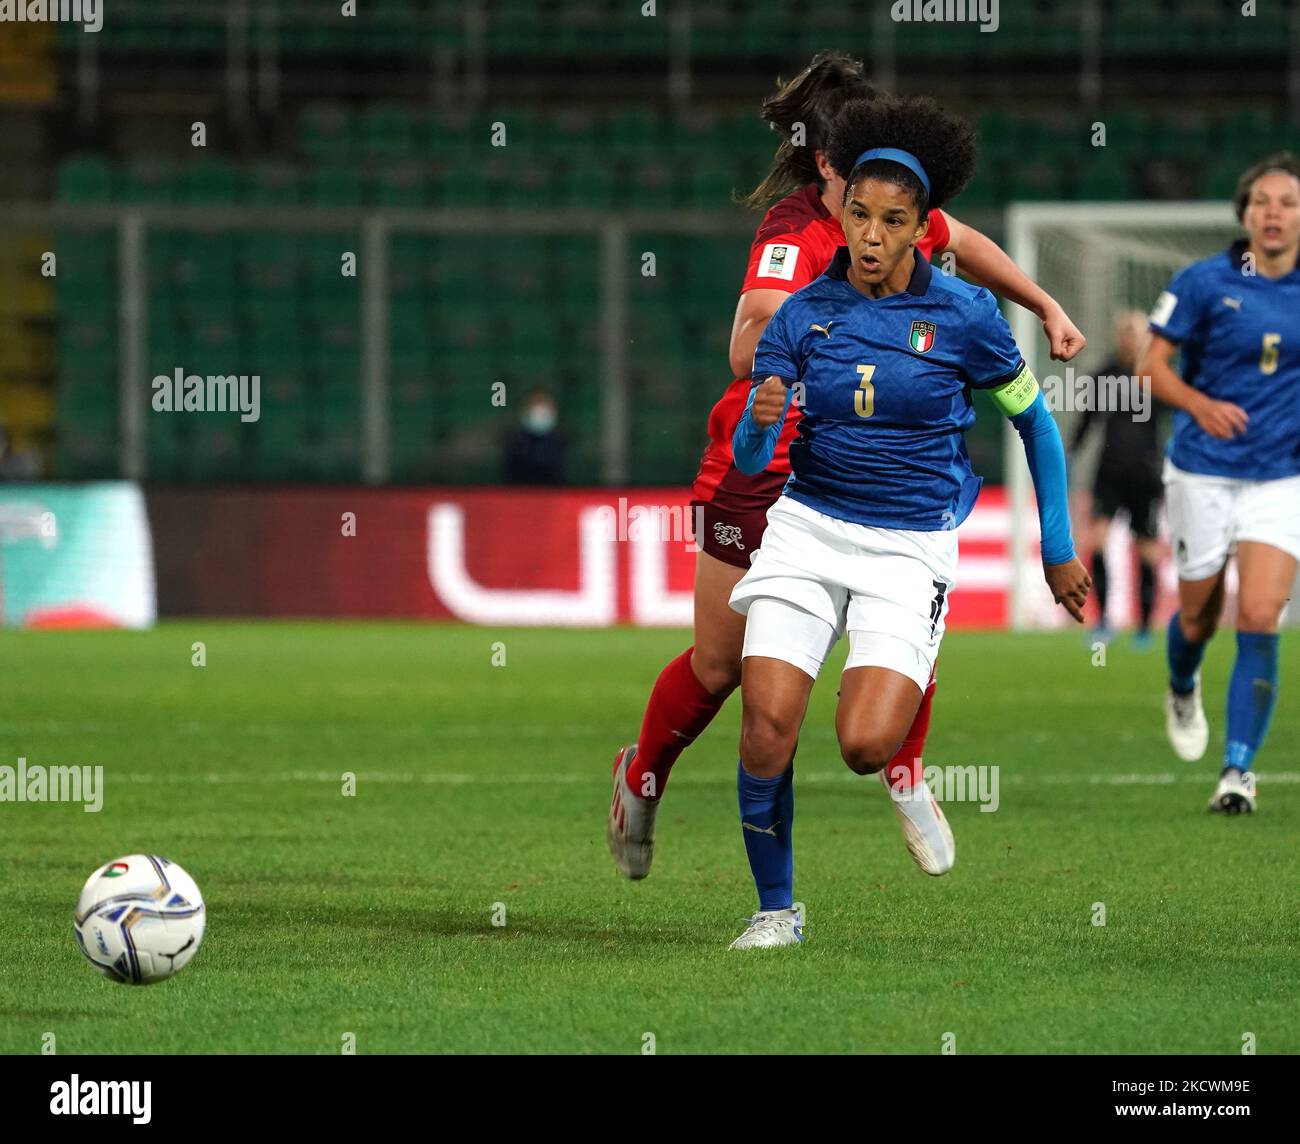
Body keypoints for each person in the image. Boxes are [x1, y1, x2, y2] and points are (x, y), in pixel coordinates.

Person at [607, 52, 1086, 882]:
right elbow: (746, 335)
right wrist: (819, 345)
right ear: (826, 165)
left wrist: (1042, 304)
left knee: (911, 573)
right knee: (722, 668)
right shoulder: (798, 232)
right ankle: (642, 777)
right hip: (760, 463)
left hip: (866, 461)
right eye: (856, 185)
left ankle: (902, 767)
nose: (878, 221)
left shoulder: (899, 213)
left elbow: (963, 243)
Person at [721, 93, 1090, 948]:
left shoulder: (966, 318)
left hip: (907, 545)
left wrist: (1058, 550)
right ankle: (776, 912)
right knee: (767, 726)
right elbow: (747, 462)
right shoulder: (805, 314)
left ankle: (904, 757)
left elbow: (1034, 422)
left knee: (860, 743)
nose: (872, 235)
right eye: (859, 214)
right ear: (841, 213)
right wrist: (760, 419)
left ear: (925, 227)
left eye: (893, 220)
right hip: (808, 527)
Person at [1142, 151, 1300, 814]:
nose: (1274, 213)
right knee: (1201, 617)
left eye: (1288, 203)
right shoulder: (1204, 281)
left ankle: (1237, 772)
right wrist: (1199, 404)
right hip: (1202, 468)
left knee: (1261, 614)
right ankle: (1182, 682)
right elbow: (1152, 365)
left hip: (1281, 476)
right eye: (1263, 201)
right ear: (1244, 213)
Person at [1068, 310, 1164, 646]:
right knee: (1097, 541)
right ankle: (1105, 620)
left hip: (1146, 475)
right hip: (1109, 473)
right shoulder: (1103, 376)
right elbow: (1085, 424)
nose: (1129, 337)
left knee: (1147, 550)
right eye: (1123, 331)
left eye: (1135, 331)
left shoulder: (1157, 375)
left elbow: (1178, 420)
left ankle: (1145, 627)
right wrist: (1068, 457)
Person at [503, 388, 566, 485]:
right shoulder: (513, 442)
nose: (539, 411)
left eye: (543, 404)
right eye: (535, 404)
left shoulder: (563, 442)